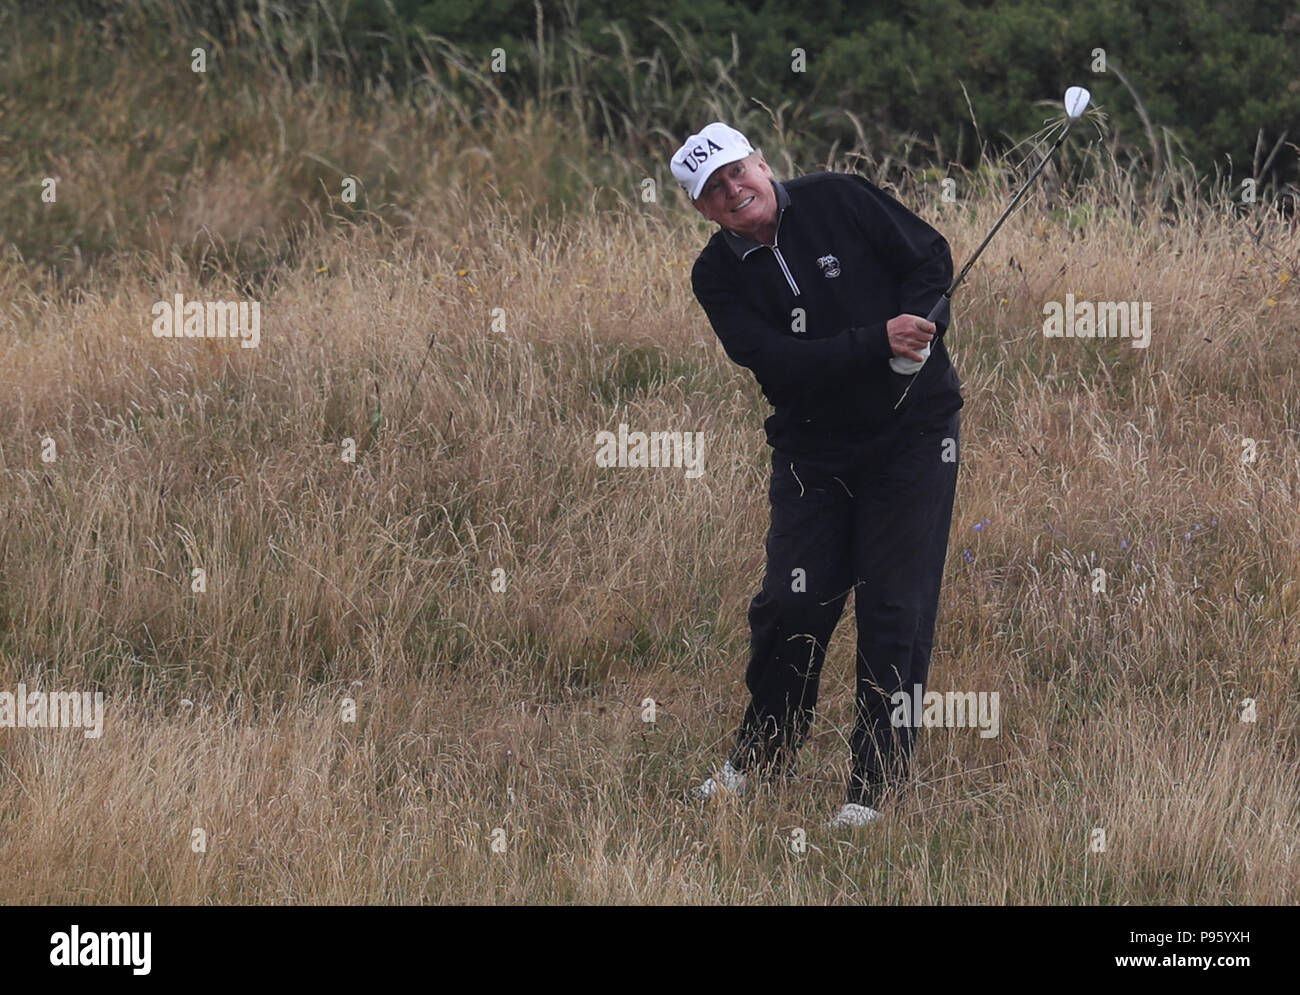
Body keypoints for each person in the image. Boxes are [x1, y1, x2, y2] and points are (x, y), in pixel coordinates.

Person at [673, 122, 963, 829]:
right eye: (713, 189)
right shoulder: (716, 274)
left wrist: (919, 333)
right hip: (814, 451)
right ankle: (762, 759)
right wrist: (875, 343)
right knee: (792, 604)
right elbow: (774, 361)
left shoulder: (841, 197)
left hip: (914, 437)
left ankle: (872, 788)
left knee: (895, 608)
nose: (732, 189)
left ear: (763, 164)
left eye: (737, 172)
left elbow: (929, 259)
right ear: (703, 211)